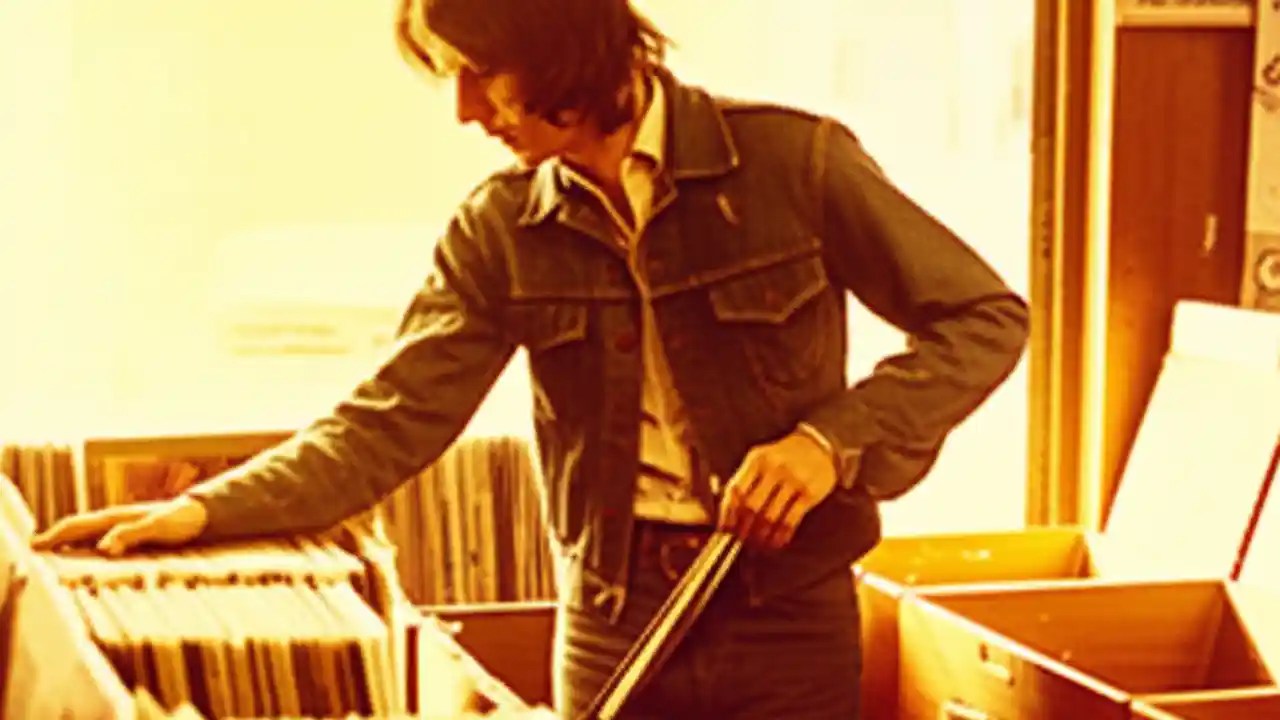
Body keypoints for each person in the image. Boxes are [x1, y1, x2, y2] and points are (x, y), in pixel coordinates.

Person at [34, 0, 1030, 718]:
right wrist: (204, 512)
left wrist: (829, 442)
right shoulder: (499, 228)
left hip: (788, 613)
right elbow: (385, 423)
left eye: (479, 70)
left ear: (557, 38)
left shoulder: (795, 162)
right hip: (610, 615)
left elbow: (984, 319)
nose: (466, 110)